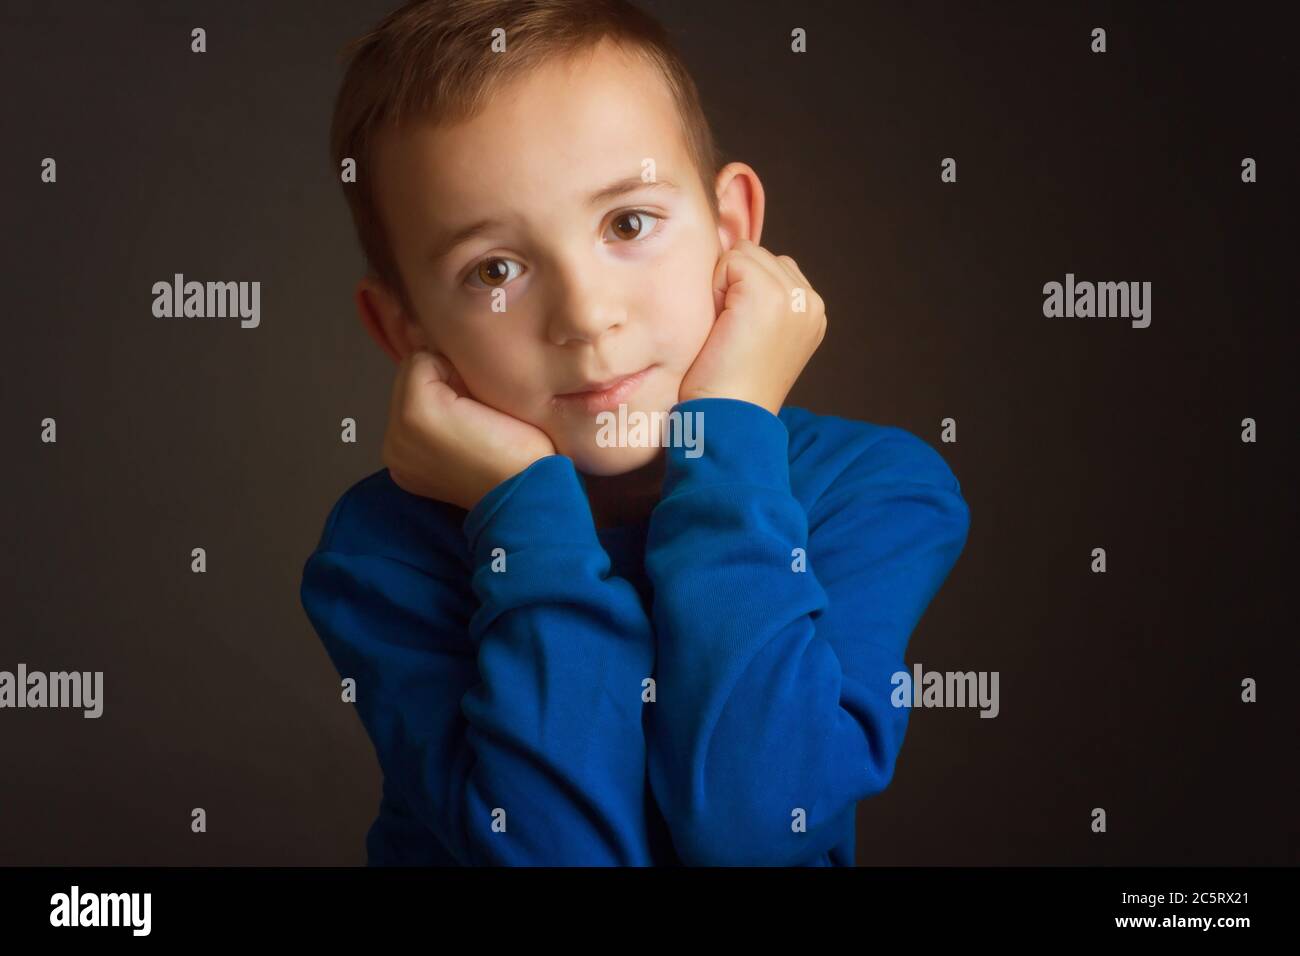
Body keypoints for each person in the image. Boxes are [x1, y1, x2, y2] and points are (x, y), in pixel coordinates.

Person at [300, 0, 970, 866]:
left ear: (730, 229)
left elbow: (757, 829)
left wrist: (724, 437)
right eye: (494, 269)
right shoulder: (382, 553)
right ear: (406, 329)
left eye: (627, 223)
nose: (585, 315)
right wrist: (520, 512)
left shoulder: (873, 489)